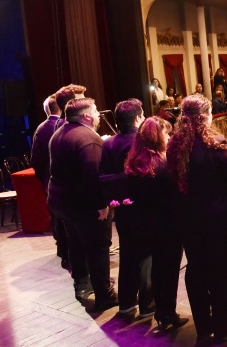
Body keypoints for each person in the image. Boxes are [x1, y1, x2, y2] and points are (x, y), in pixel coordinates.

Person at [167, 94, 227, 344]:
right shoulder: (216, 145)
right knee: (220, 271)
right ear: (206, 116)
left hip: (187, 218)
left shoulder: (174, 145)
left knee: (196, 269)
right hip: (218, 219)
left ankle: (203, 325)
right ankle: (223, 326)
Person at [48, 97, 118, 311]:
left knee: (76, 242)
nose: (98, 115)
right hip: (83, 204)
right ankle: (104, 295)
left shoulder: (59, 133)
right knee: (98, 247)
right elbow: (92, 176)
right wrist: (102, 204)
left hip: (62, 202)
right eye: (96, 111)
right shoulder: (87, 138)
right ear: (87, 116)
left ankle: (81, 284)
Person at [124, 116, 189, 331]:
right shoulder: (163, 165)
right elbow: (174, 198)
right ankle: (167, 313)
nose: (169, 137)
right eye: (166, 134)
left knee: (157, 270)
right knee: (169, 271)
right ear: (156, 137)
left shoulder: (135, 163)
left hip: (146, 226)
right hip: (168, 227)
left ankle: (160, 310)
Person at [99, 99, 151, 320]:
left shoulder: (108, 144)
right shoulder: (143, 141)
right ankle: (148, 306)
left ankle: (127, 304)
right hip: (145, 207)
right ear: (139, 118)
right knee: (148, 258)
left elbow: (102, 177)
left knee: (128, 255)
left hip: (122, 209)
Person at [30, 94, 69, 268]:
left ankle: (62, 249)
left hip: (50, 179)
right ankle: (67, 251)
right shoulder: (61, 126)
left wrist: (43, 178)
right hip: (62, 179)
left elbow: (35, 159)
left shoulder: (40, 128)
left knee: (57, 216)